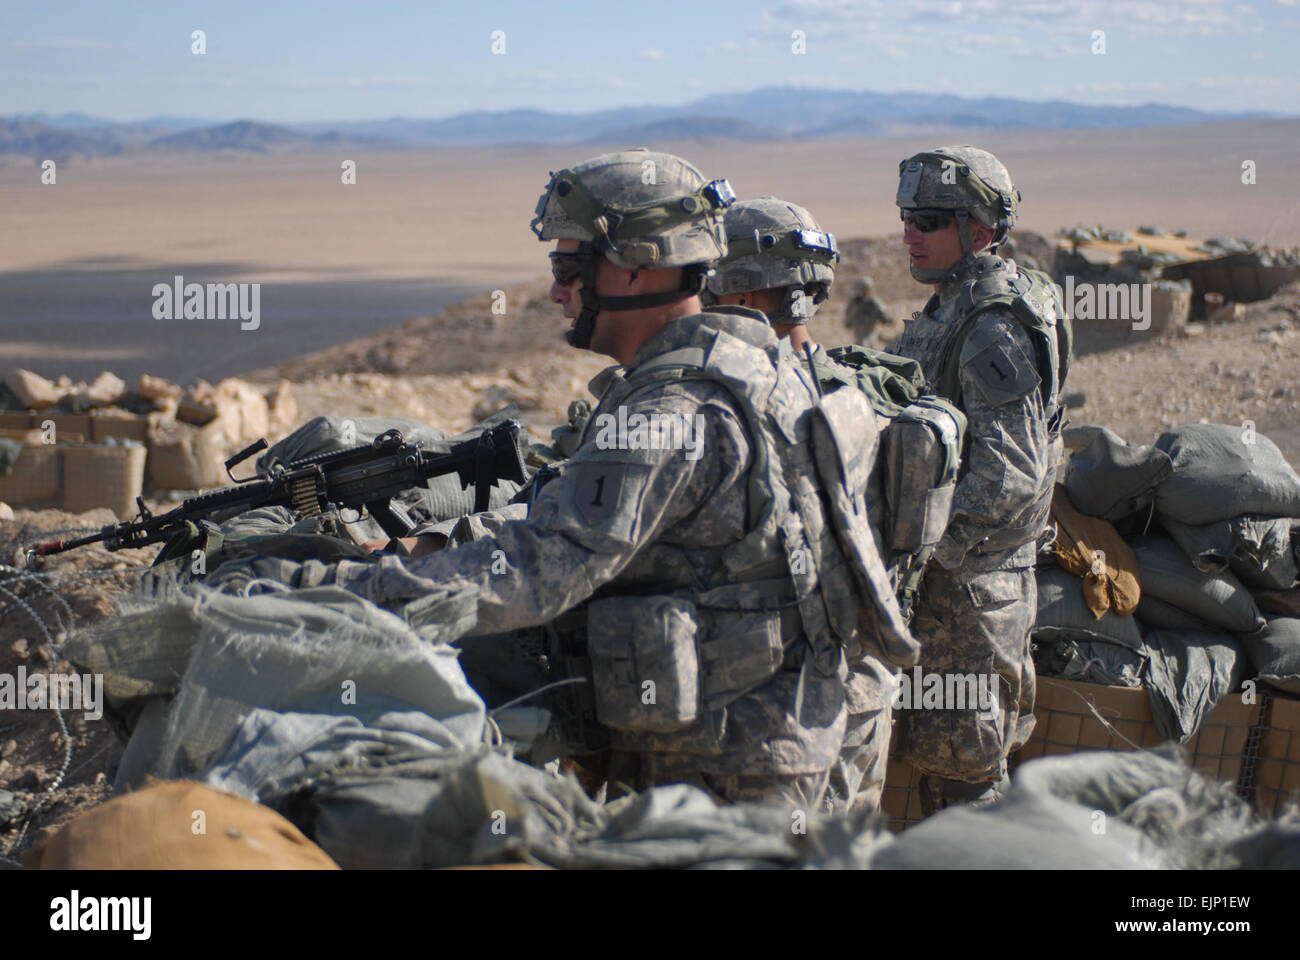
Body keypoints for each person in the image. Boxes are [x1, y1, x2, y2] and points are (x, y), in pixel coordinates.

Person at [328, 150, 915, 808]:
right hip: (781, 734)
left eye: (568, 267)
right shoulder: (759, 365)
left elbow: (543, 569)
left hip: (728, 767)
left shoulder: (675, 409)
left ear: (637, 269)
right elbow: (577, 510)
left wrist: (342, 589)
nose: (556, 292)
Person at [888, 145, 1067, 813]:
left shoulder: (992, 323)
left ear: (982, 228)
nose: (910, 232)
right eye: (908, 215)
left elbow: (1009, 477)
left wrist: (917, 554)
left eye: (930, 218)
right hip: (949, 594)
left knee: (967, 787)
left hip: (970, 600)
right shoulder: (954, 305)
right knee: (942, 779)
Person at [705, 195, 897, 812]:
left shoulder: (743, 411)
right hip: (864, 694)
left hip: (781, 716)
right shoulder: (861, 395)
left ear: (743, 294)